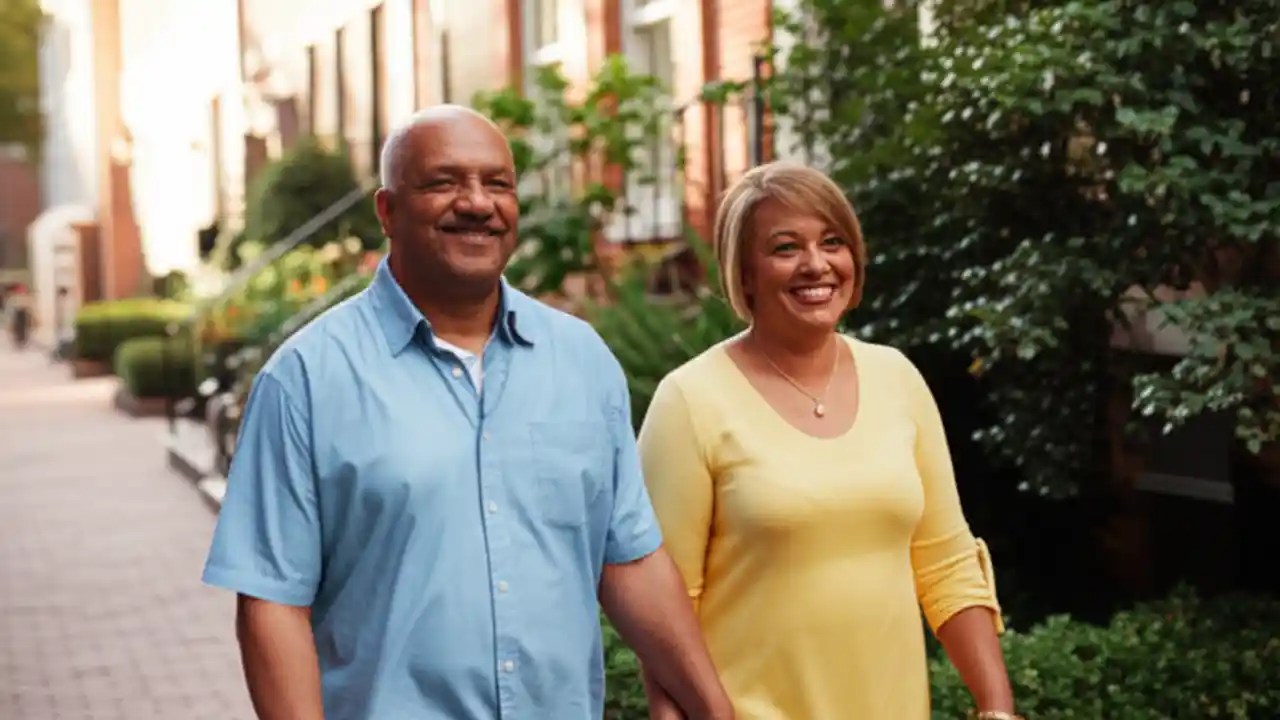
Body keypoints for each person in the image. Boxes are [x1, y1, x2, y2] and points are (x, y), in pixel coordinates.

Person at [202, 105, 733, 720]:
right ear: (388, 211)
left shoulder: (580, 360)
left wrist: (712, 708)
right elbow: (272, 603)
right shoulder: (306, 380)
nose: (477, 203)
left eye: (497, 182)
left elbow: (630, 559)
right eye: (443, 182)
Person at [636, 162, 1020, 719]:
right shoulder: (689, 402)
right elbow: (664, 612)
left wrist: (997, 708)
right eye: (786, 247)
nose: (816, 265)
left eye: (832, 242)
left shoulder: (897, 378)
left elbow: (946, 565)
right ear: (744, 273)